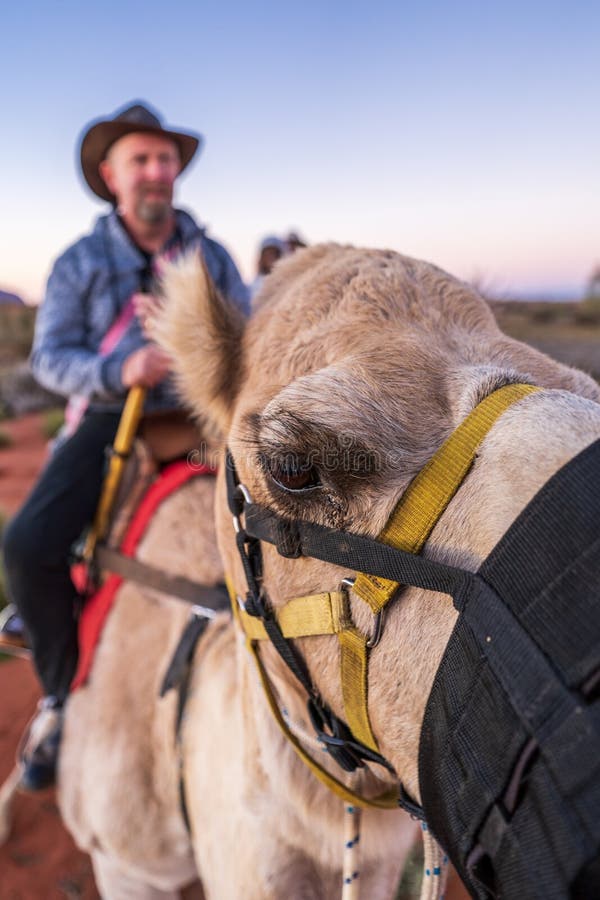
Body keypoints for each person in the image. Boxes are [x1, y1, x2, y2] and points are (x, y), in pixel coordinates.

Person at [1, 101, 250, 790]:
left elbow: (249, 345)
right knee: (27, 546)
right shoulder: (80, 262)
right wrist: (121, 369)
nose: (154, 172)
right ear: (111, 176)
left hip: (200, 421)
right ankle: (59, 694)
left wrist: (195, 338)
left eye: (164, 159)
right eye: (139, 160)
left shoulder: (211, 258)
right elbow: (50, 360)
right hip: (114, 418)